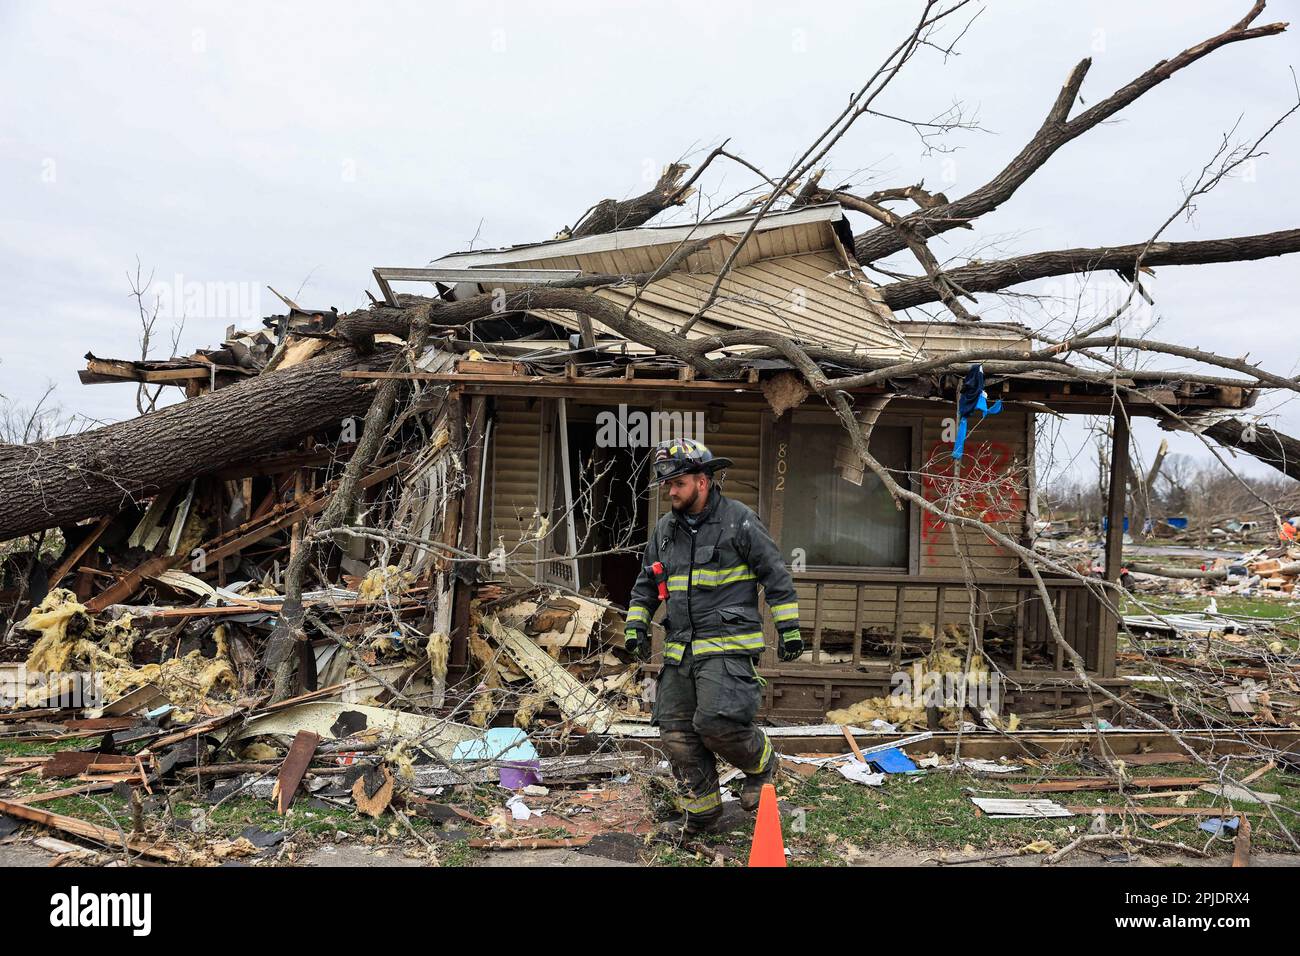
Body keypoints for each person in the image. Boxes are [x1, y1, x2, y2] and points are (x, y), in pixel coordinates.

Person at [624, 437, 802, 836]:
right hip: (681, 648)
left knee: (717, 722)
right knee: (675, 731)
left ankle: (762, 764)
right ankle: (701, 813)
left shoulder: (739, 520)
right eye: (667, 484)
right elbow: (645, 585)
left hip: (728, 643)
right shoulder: (664, 530)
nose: (671, 492)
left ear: (702, 481)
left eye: (678, 483)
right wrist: (636, 624)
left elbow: (775, 575)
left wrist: (788, 627)